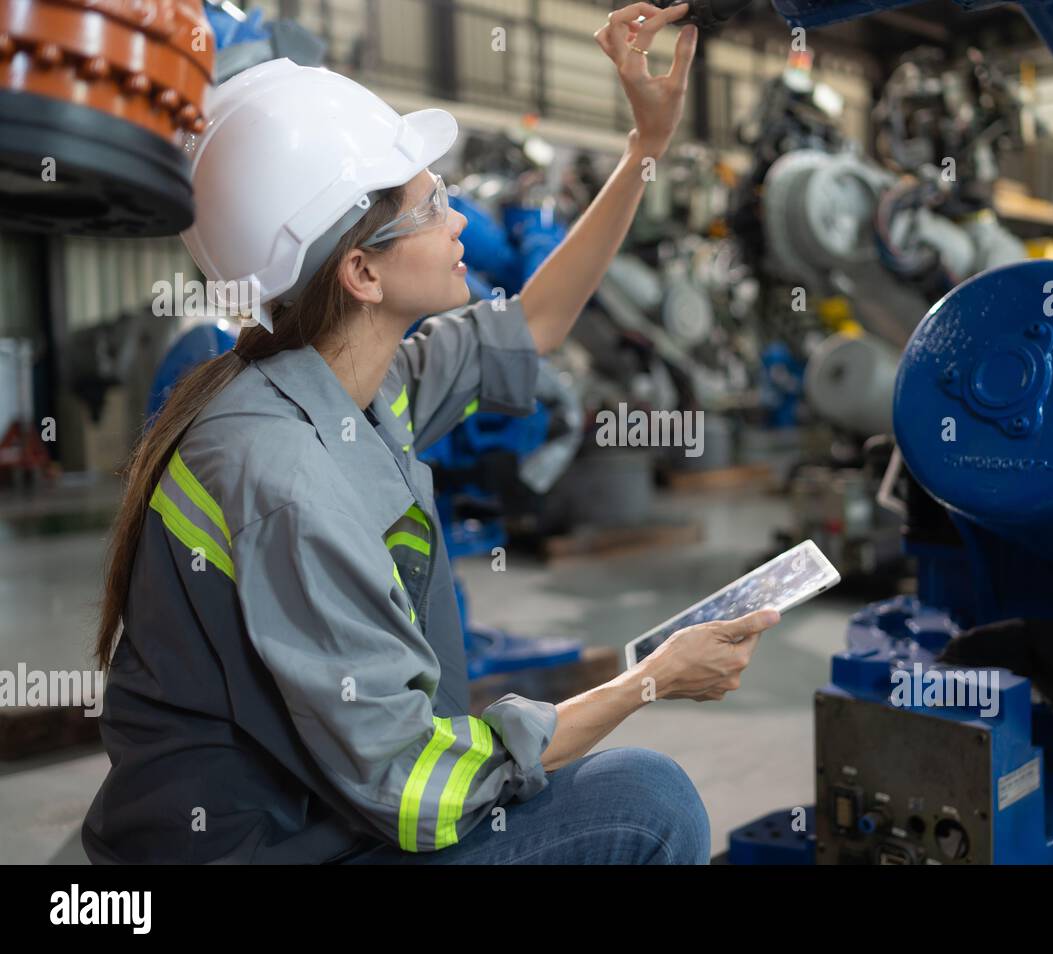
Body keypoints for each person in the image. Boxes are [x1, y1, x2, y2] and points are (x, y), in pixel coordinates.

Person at [82, 2, 780, 865]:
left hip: (323, 807)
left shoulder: (350, 386)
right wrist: (651, 680)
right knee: (645, 800)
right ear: (362, 272)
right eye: (431, 204)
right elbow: (420, 790)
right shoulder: (284, 476)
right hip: (272, 848)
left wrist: (645, 148)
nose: (457, 222)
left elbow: (537, 321)